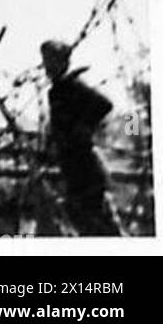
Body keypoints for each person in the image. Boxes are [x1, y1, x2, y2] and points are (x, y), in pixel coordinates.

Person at [40, 39, 123, 236]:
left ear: (62, 62)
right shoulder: (57, 90)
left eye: (51, 60)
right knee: (85, 221)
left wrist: (83, 127)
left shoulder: (72, 86)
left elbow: (105, 104)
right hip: (72, 167)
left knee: (97, 223)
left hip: (84, 167)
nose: (47, 66)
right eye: (45, 61)